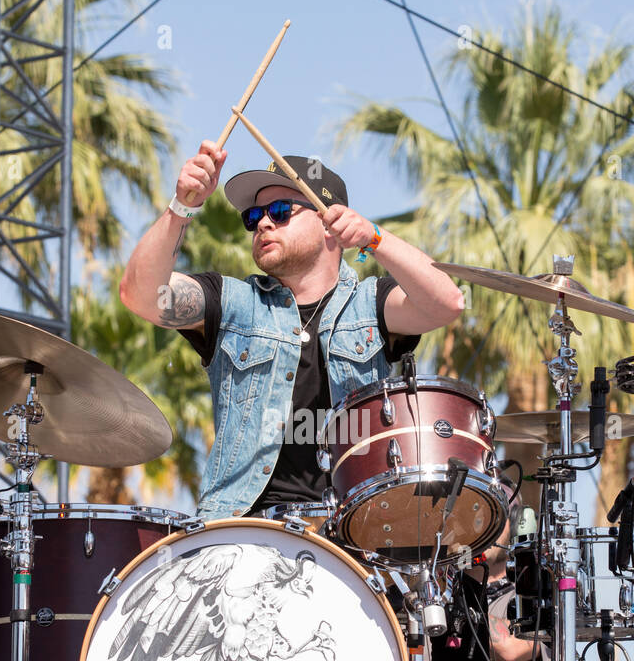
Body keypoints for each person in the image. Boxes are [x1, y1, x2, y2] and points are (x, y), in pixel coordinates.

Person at [120, 142, 466, 519]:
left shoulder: (371, 303)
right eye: (254, 217)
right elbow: (140, 296)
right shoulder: (235, 302)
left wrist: (375, 238)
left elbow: (447, 303)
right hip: (240, 530)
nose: (264, 223)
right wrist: (181, 207)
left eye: (281, 211)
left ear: (330, 222)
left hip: (349, 532)